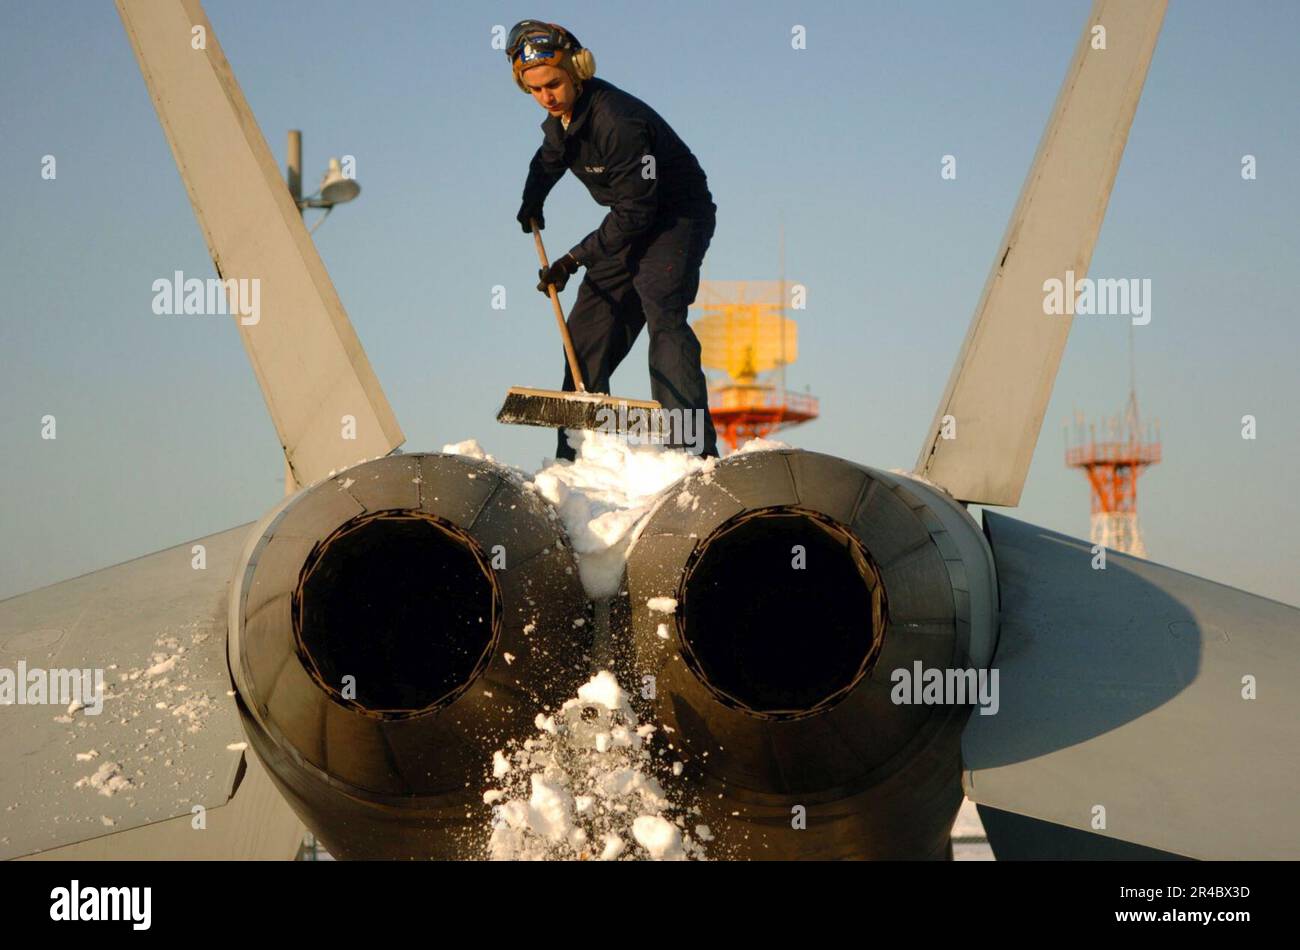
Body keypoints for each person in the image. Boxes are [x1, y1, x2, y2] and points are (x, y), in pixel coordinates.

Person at [507, 20, 720, 462]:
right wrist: (532, 200)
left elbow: (637, 212)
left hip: (674, 218)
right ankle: (578, 457)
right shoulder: (561, 119)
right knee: (587, 327)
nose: (547, 97)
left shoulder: (617, 121)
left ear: (578, 70)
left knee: (661, 306)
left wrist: (572, 259)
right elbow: (549, 159)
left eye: (553, 84)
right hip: (628, 219)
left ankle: (691, 452)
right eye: (535, 90)